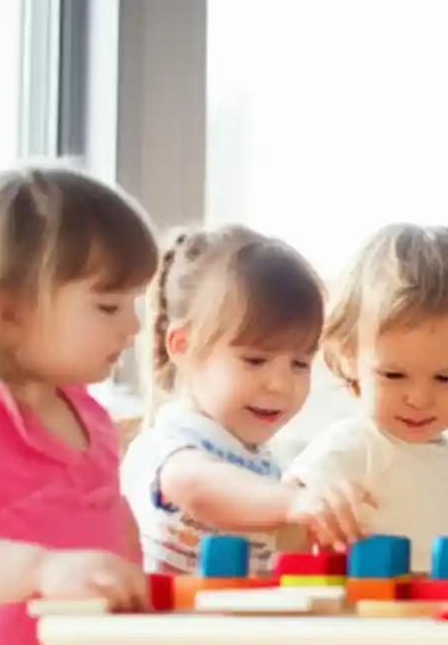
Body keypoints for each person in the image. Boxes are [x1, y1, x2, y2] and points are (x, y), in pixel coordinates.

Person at [0, 168, 157, 644]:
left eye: (135, 303)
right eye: (108, 306)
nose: (133, 326)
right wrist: (40, 570)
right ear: (10, 314)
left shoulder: (87, 414)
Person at [121, 225, 356, 576]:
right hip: (164, 629)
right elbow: (194, 484)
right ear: (182, 345)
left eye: (299, 364)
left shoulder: (260, 461)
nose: (280, 384)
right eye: (255, 360)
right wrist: (291, 502)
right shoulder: (170, 443)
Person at [284, 224, 448, 572]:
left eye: (447, 378)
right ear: (348, 356)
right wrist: (310, 502)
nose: (419, 398)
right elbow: (290, 510)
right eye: (393, 375)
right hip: (371, 623)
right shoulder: (353, 445)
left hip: (447, 623)